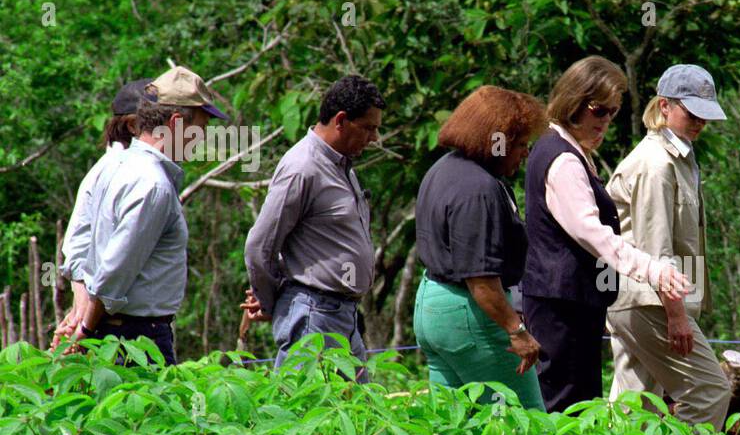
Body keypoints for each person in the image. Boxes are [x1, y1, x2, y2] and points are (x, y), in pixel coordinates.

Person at [521, 56, 691, 412]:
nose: (606, 122)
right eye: (599, 111)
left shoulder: (568, 150)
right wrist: (654, 271)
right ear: (574, 102)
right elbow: (591, 233)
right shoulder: (563, 158)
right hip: (560, 305)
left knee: (580, 403)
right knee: (567, 409)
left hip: (572, 303)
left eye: (612, 113)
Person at [73, 66, 227, 365]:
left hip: (116, 331)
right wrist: (85, 329)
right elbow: (116, 270)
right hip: (135, 338)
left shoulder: (118, 165)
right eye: (201, 127)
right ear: (177, 123)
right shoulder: (152, 184)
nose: (202, 138)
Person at [605, 65, 731, 430]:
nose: (699, 123)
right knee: (709, 392)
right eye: (692, 114)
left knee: (634, 408)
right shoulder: (656, 164)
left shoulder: (680, 157)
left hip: (647, 301)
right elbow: (653, 248)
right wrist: (676, 314)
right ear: (664, 106)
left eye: (705, 116)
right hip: (651, 301)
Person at [413, 85, 548, 407]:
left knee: (457, 429)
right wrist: (516, 332)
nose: (525, 153)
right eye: (520, 145)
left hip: (432, 306)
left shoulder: (443, 168)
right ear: (498, 143)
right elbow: (482, 282)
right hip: (468, 313)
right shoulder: (479, 189)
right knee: (525, 423)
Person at [241, 75, 383, 381]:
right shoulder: (302, 167)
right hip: (314, 316)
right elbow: (260, 245)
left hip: (342, 315)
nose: (375, 138)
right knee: (303, 414)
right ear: (341, 120)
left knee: (361, 416)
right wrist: (268, 299)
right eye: (369, 128)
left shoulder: (341, 166)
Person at [52, 78, 150, 349]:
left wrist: (79, 315)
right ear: (132, 125)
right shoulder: (119, 170)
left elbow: (79, 248)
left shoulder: (122, 169)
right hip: (113, 324)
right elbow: (87, 252)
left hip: (102, 316)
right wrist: (83, 321)